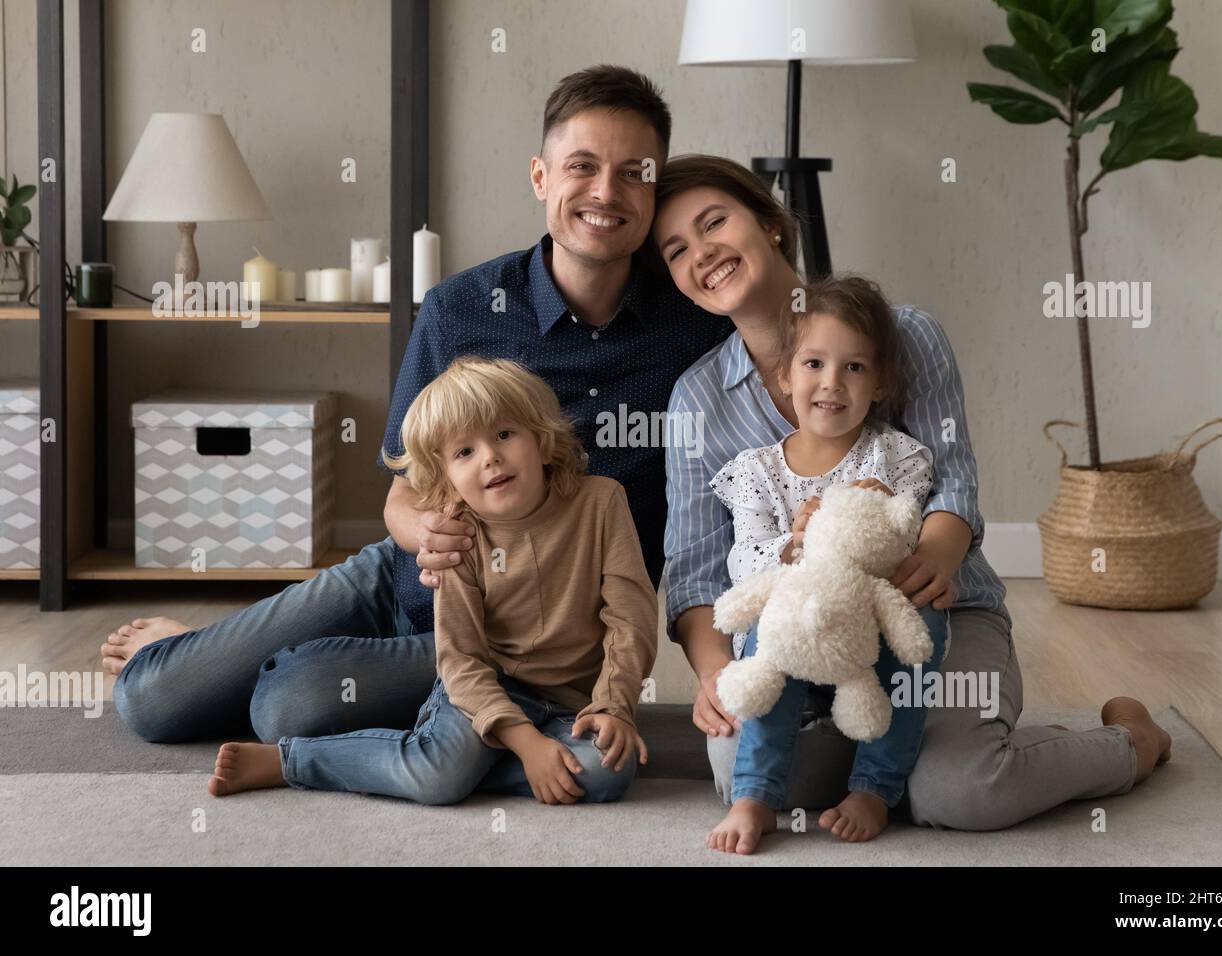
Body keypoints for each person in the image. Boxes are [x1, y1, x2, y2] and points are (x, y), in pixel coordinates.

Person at [102, 65, 731, 745]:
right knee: (155, 700)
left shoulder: (695, 329)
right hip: (401, 579)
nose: (605, 192)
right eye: (581, 166)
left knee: (292, 708)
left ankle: (271, 666)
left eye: (632, 172)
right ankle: (214, 653)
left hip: (523, 644)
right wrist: (426, 534)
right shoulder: (461, 310)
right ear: (541, 177)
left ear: (652, 187)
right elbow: (402, 496)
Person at [651, 154, 1171, 852]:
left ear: (771, 224)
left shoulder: (906, 334)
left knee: (959, 793)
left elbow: (953, 481)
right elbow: (695, 568)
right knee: (752, 778)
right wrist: (717, 672)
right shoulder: (696, 399)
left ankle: (1128, 742)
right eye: (676, 249)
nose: (702, 253)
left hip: (934, 615)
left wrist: (929, 556)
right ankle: (894, 761)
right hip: (799, 637)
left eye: (715, 222)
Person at [207, 357, 657, 806]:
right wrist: (525, 742)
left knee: (607, 773)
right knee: (438, 781)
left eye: (504, 434)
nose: (491, 457)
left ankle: (443, 756)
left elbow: (629, 617)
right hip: (487, 686)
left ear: (541, 442)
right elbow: (459, 658)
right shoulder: (457, 532)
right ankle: (295, 761)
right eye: (465, 452)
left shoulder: (602, 502)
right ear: (447, 480)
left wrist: (612, 707)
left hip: (570, 706)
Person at [704, 274, 951, 852]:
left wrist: (884, 510)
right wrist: (794, 543)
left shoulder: (897, 458)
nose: (831, 384)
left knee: (926, 626)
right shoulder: (758, 470)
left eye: (855, 368)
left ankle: (875, 784)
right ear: (784, 376)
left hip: (867, 623)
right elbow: (744, 560)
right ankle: (755, 796)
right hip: (795, 623)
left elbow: (907, 544)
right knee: (770, 628)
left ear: (880, 381)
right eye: (814, 363)